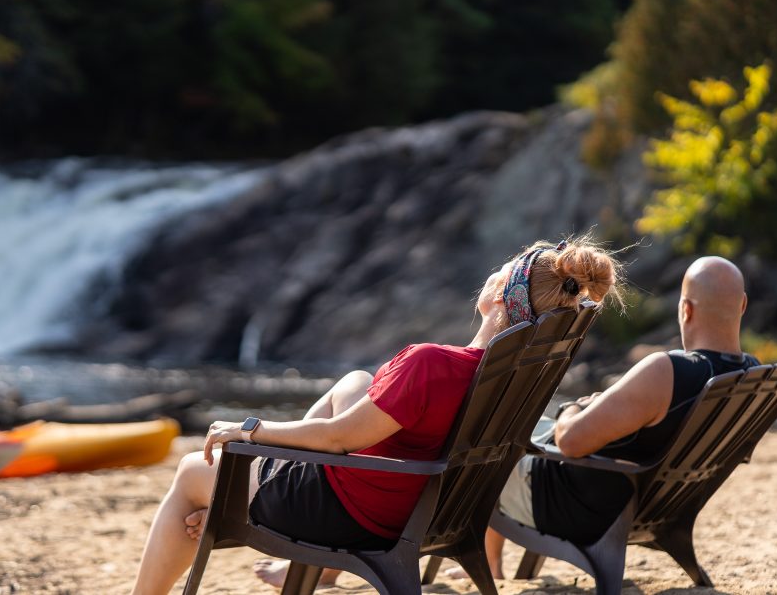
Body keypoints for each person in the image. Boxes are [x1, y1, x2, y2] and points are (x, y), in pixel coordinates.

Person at [130, 236, 622, 595]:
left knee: (195, 470)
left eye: (500, 269)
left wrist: (251, 429)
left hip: (362, 512)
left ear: (498, 296)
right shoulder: (520, 373)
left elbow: (338, 440)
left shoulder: (432, 363)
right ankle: (282, 521)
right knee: (355, 383)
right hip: (430, 508)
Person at [444, 255, 758, 581]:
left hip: (576, 505)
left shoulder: (669, 371)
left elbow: (569, 441)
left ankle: (476, 558)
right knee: (525, 426)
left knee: (483, 437)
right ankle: (492, 561)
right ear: (743, 305)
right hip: (656, 506)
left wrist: (576, 408)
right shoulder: (752, 377)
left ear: (685, 310)